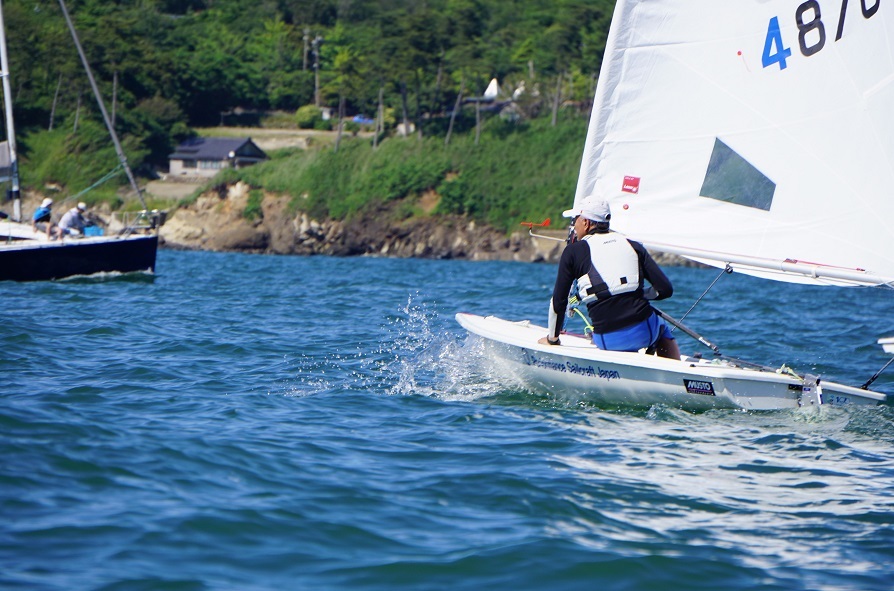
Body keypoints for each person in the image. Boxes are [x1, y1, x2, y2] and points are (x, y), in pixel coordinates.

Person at [537, 193, 681, 359]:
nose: (573, 225)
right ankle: (675, 373)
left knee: (605, 330)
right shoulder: (633, 245)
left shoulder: (573, 252)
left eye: (575, 219)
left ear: (586, 222)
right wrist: (637, 294)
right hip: (644, 333)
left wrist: (552, 340)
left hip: (607, 340)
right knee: (661, 327)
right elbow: (665, 290)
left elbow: (559, 301)